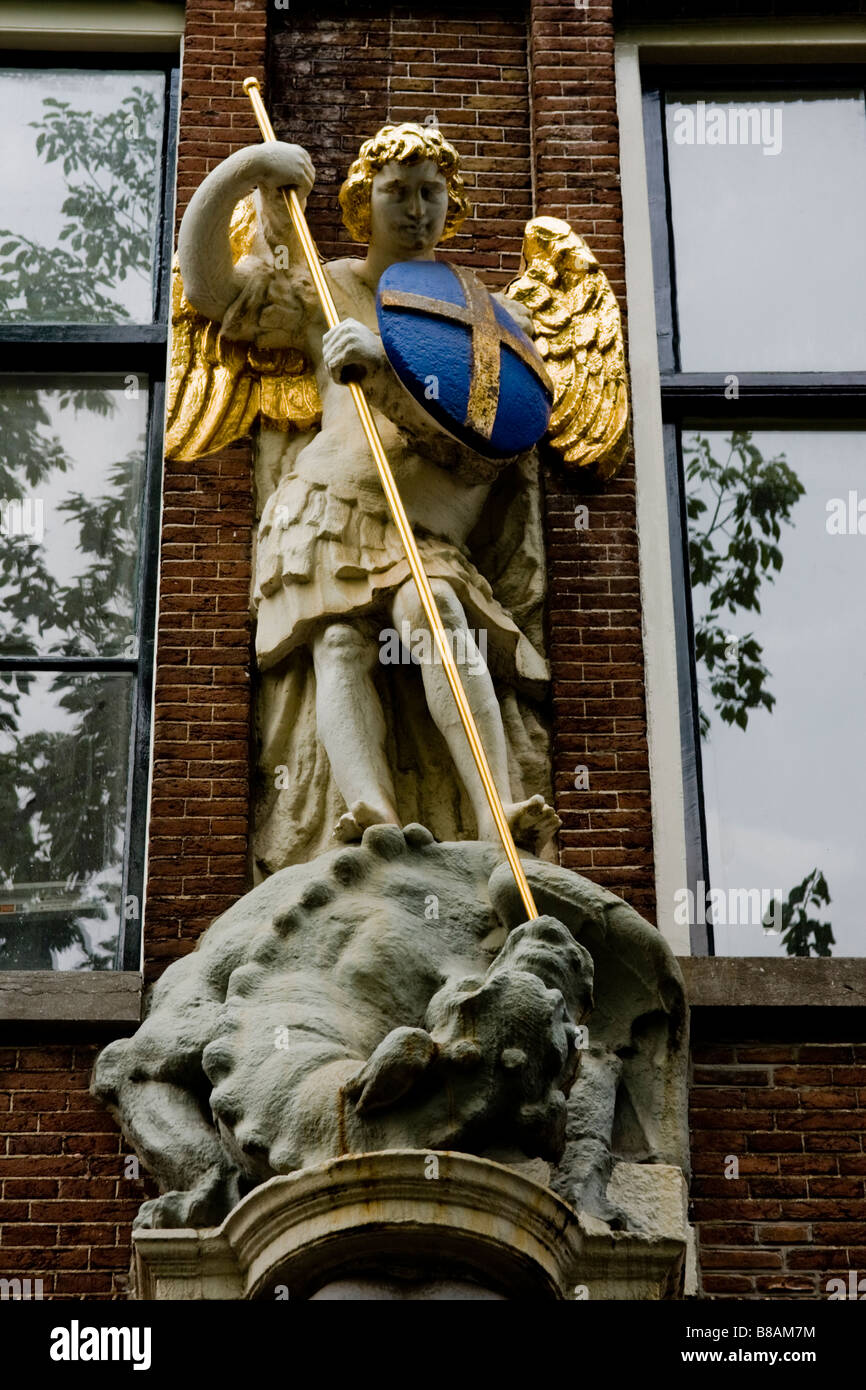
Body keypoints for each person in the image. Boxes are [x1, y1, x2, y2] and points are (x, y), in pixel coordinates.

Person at [177, 123, 557, 872]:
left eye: (429, 193)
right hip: (330, 504)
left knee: (436, 612)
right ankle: (370, 809)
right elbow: (208, 286)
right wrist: (247, 169)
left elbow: (488, 448)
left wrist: (384, 370)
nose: (416, 210)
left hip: (422, 522)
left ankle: (495, 806)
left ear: (450, 203)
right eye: (398, 193)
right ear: (364, 202)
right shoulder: (331, 289)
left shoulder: (480, 317)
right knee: (341, 641)